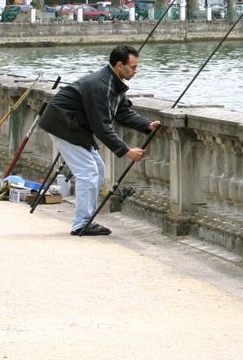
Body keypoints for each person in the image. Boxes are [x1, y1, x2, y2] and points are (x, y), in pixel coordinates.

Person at [38, 44, 160, 236]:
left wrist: (146, 125)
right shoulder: (100, 85)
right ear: (119, 65)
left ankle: (87, 219)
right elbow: (102, 127)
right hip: (63, 125)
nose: (136, 71)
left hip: (76, 126)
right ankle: (81, 223)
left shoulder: (114, 82)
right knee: (87, 172)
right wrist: (127, 151)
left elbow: (122, 112)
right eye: (133, 67)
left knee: (99, 169)